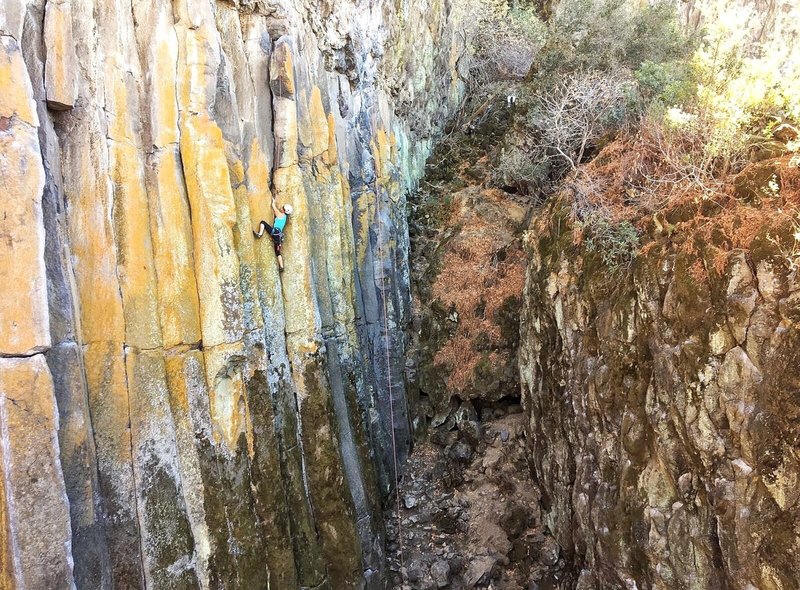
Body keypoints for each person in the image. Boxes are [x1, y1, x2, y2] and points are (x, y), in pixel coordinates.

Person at [254, 197, 293, 272]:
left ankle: (260, 234)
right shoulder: (284, 217)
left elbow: (273, 207)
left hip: (275, 233)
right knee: (277, 252)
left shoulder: (280, 214)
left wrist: (273, 201)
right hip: (278, 237)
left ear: (285, 211)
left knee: (263, 223)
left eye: (283, 208)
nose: (281, 208)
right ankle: (281, 267)